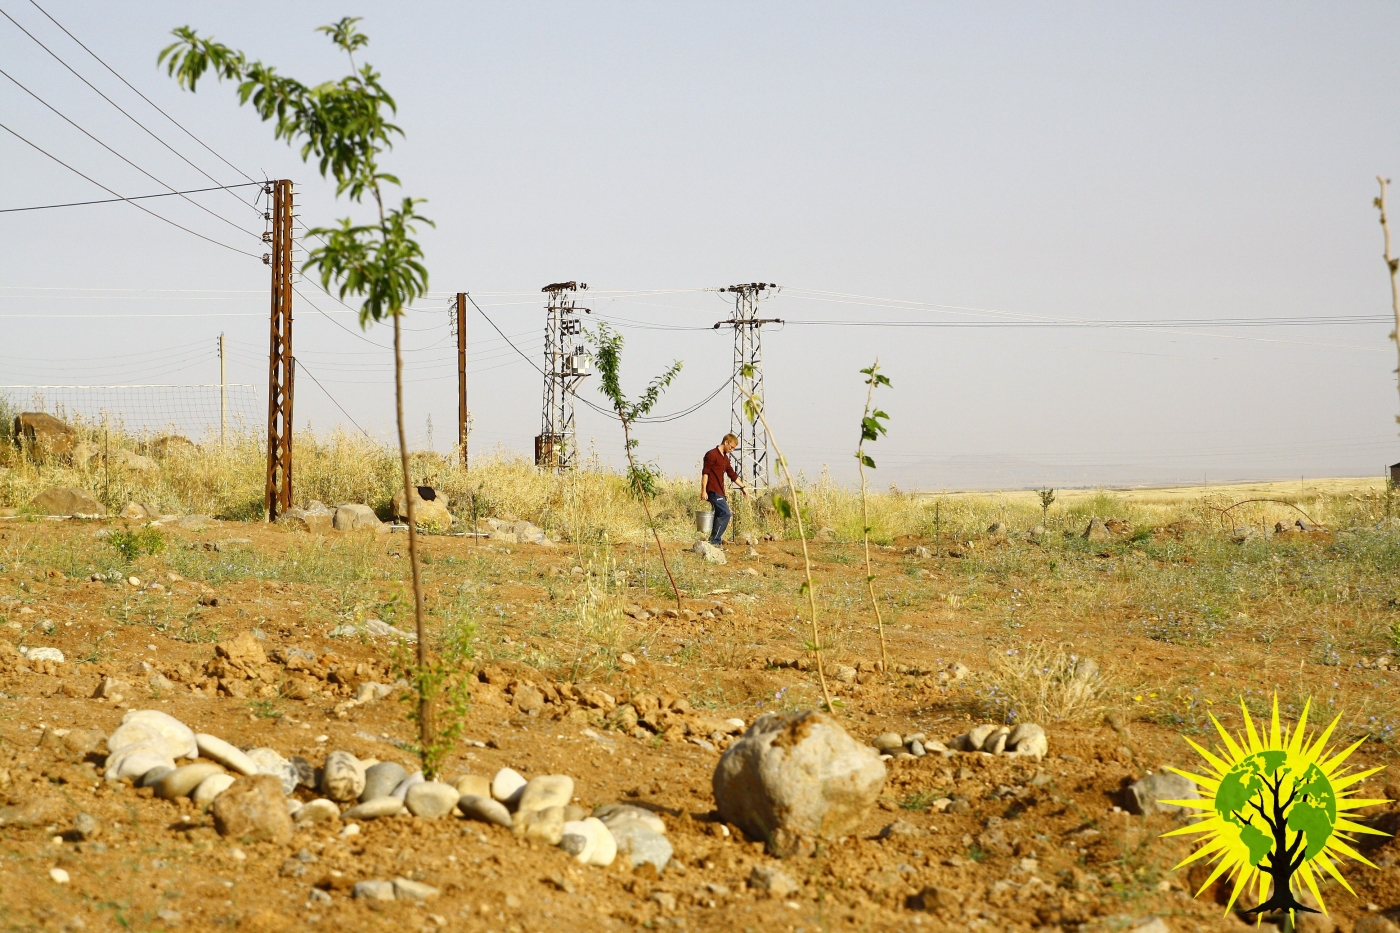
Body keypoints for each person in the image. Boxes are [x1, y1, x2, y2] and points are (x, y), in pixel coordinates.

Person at [701, 434, 747, 547]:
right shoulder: (711, 454)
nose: (732, 450)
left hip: (720, 491)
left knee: (719, 515)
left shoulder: (725, 458)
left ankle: (714, 542)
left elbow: (732, 474)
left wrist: (743, 487)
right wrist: (703, 490)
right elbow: (705, 473)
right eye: (731, 447)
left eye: (734, 449)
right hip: (712, 489)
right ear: (726, 442)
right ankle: (715, 541)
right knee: (725, 513)